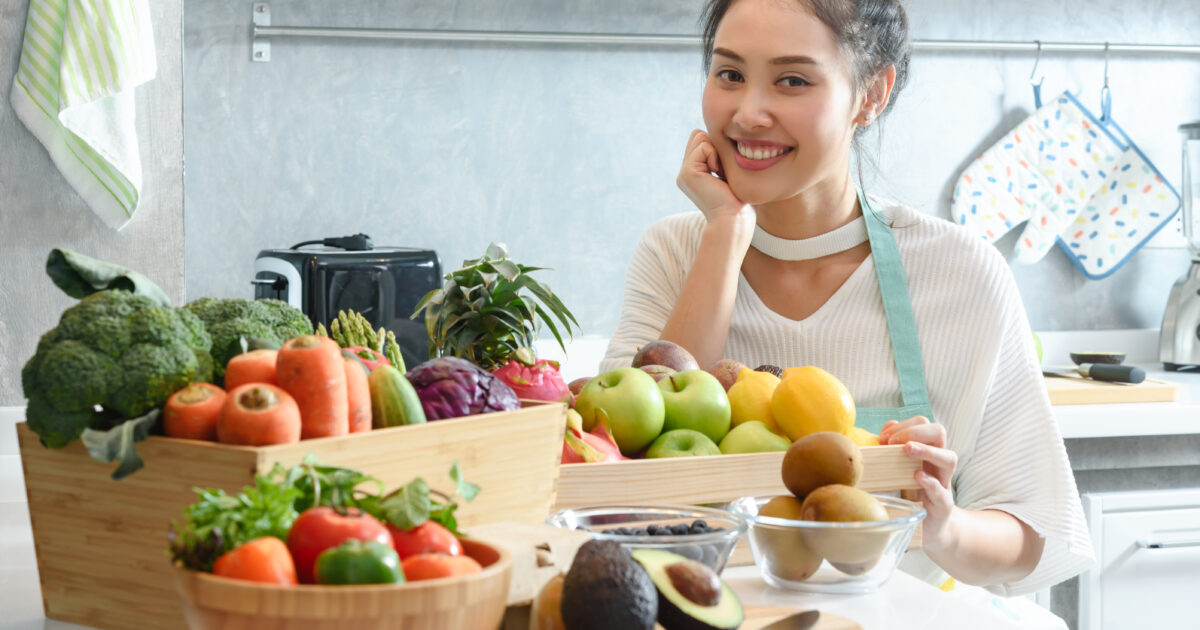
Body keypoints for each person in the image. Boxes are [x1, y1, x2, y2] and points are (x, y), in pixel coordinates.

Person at [600, 0, 1094, 595]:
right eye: (729, 73)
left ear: (871, 94)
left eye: (792, 80)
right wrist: (726, 232)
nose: (748, 112)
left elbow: (1030, 538)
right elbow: (620, 479)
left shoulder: (959, 272)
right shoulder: (675, 252)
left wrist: (942, 524)